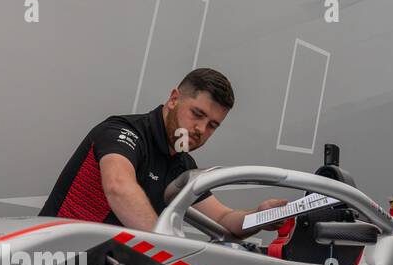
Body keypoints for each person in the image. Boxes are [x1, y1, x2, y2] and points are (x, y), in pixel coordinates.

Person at [40, 68, 285, 234]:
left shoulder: (182, 165)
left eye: (212, 125)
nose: (200, 129)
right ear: (173, 99)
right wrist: (167, 247)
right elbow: (119, 187)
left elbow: (222, 219)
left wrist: (260, 217)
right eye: (197, 114)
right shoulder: (121, 131)